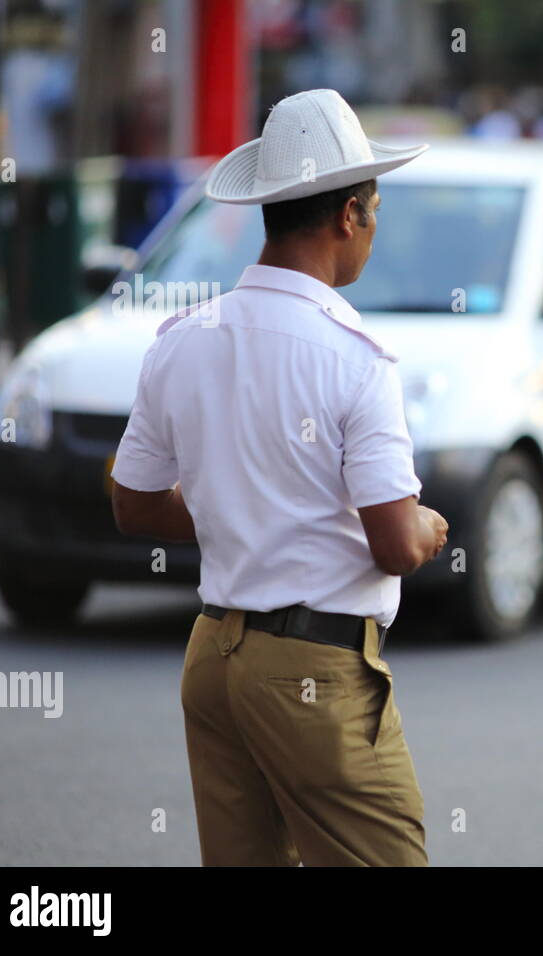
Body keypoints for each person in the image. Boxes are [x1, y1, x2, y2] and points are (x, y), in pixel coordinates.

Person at [110, 89, 447, 866]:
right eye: (376, 208)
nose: (373, 226)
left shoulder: (185, 338)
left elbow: (133, 505)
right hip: (314, 673)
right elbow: (395, 543)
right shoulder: (355, 359)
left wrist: (241, 511)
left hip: (214, 660)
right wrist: (429, 530)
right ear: (347, 217)